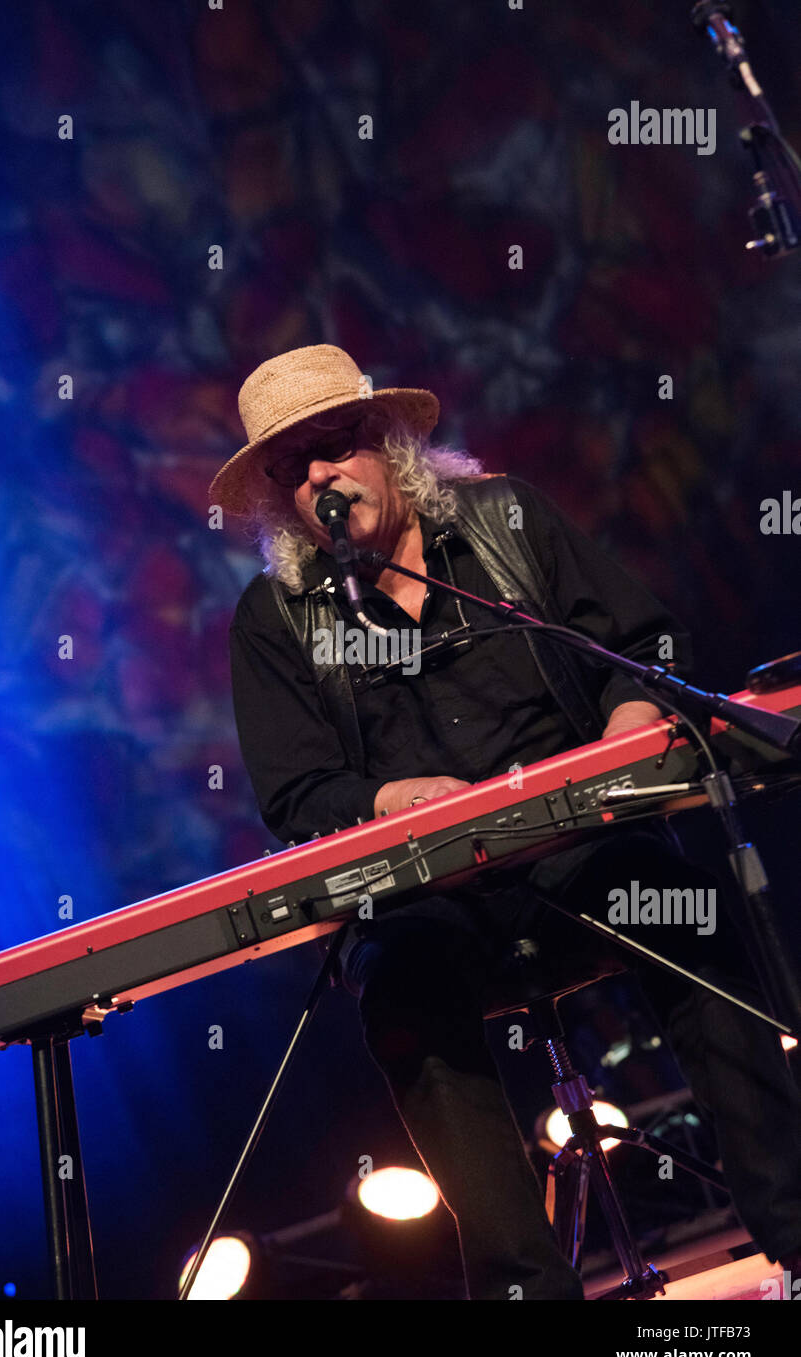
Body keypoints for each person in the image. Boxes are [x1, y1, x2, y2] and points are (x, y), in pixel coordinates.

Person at [213, 343, 801, 1300]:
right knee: (399, 994)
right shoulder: (276, 616)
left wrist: (626, 725)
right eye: (293, 467)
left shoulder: (502, 524)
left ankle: (794, 1229)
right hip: (432, 898)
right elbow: (295, 795)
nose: (320, 477)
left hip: (586, 851)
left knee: (686, 913)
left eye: (336, 445)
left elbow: (641, 646)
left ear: (388, 440)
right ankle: (527, 1291)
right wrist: (388, 801)